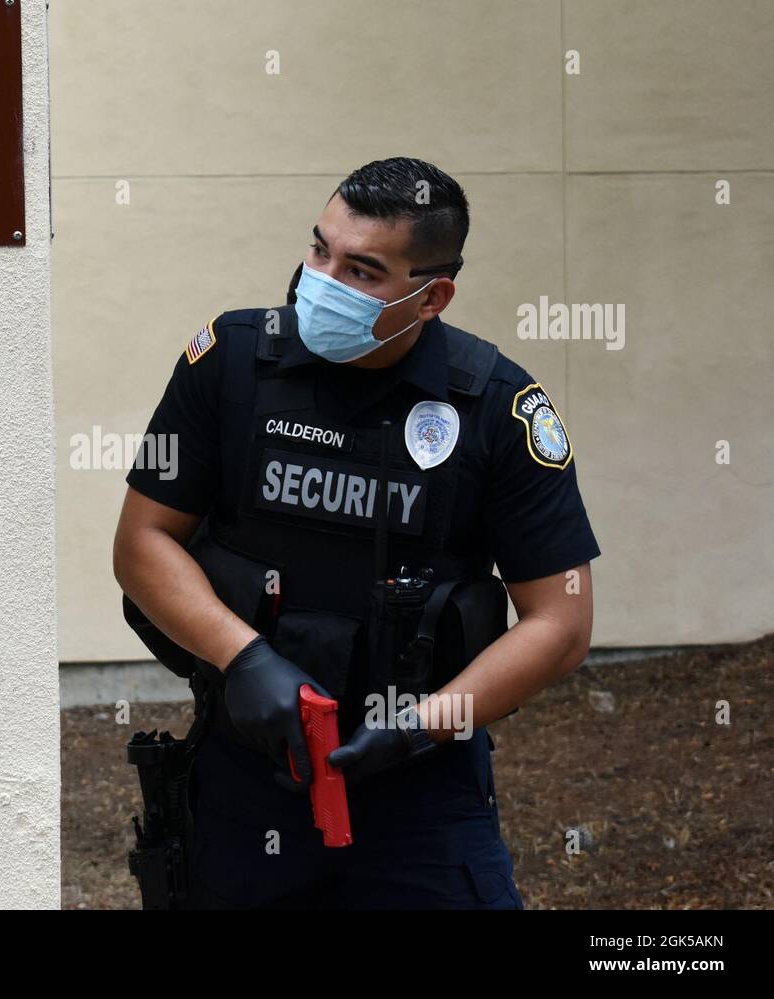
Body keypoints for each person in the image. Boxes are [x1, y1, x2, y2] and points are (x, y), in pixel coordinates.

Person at [115, 157, 599, 909]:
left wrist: (421, 728)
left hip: (422, 797)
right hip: (248, 778)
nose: (322, 280)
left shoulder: (497, 407)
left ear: (431, 295)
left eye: (363, 270)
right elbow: (142, 543)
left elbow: (561, 622)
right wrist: (242, 658)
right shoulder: (232, 361)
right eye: (319, 249)